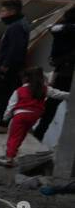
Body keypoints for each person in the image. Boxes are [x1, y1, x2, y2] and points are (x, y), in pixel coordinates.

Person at [0, 67, 70, 166]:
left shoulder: (20, 90)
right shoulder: (45, 89)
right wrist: (70, 95)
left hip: (20, 115)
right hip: (34, 116)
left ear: (26, 78)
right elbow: (58, 94)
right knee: (22, 135)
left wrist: (6, 118)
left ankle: (9, 158)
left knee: (14, 136)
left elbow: (11, 105)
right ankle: (12, 154)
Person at [0, 0, 30, 122]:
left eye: (3, 11)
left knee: (1, 93)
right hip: (7, 63)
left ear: (12, 11)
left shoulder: (16, 27)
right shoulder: (20, 23)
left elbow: (15, 48)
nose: (1, 14)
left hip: (7, 65)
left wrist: (5, 65)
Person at [35, 7, 75, 141]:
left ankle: (39, 133)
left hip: (62, 70)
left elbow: (54, 29)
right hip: (66, 72)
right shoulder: (68, 30)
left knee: (51, 105)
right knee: (53, 104)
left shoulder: (60, 29)